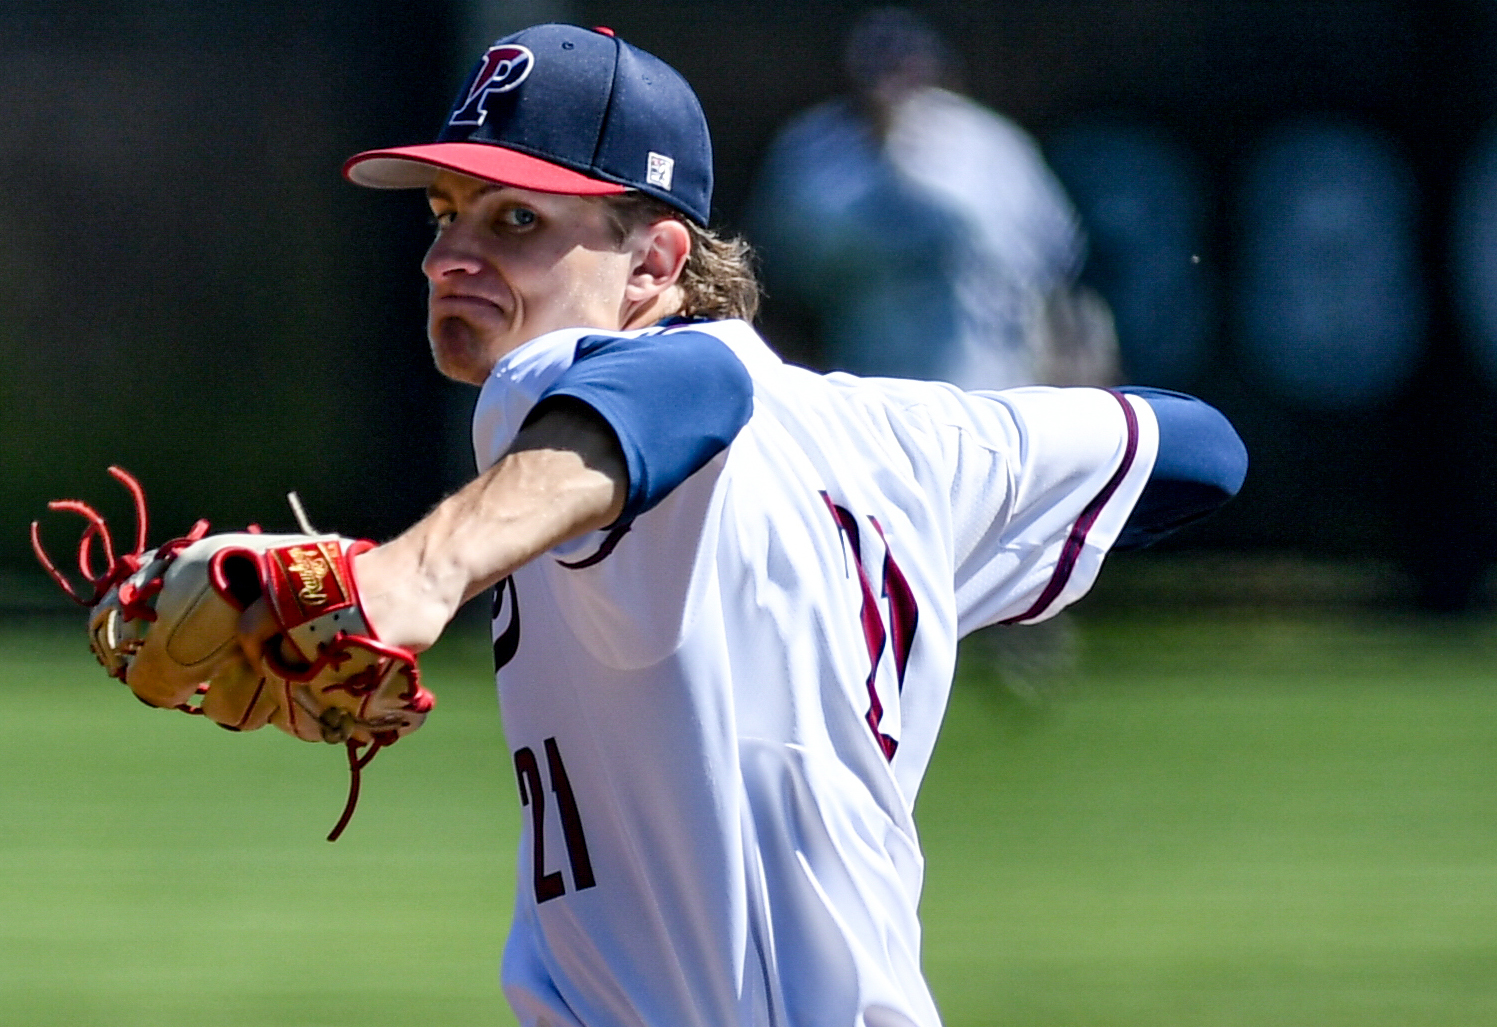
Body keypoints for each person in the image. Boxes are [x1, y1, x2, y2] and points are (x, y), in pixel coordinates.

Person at [240, 23, 1245, 1027]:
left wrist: (414, 572)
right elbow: (1199, 448)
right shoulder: (901, 441)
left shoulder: (556, 381)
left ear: (655, 263)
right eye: (444, 214)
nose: (446, 259)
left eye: (512, 222)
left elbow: (687, 376)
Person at [747, 7, 1114, 391]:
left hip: (986, 381)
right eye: (878, 72)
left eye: (903, 68)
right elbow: (785, 269)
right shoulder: (817, 151)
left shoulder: (987, 144)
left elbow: (1055, 261)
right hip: (868, 381)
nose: (890, 88)